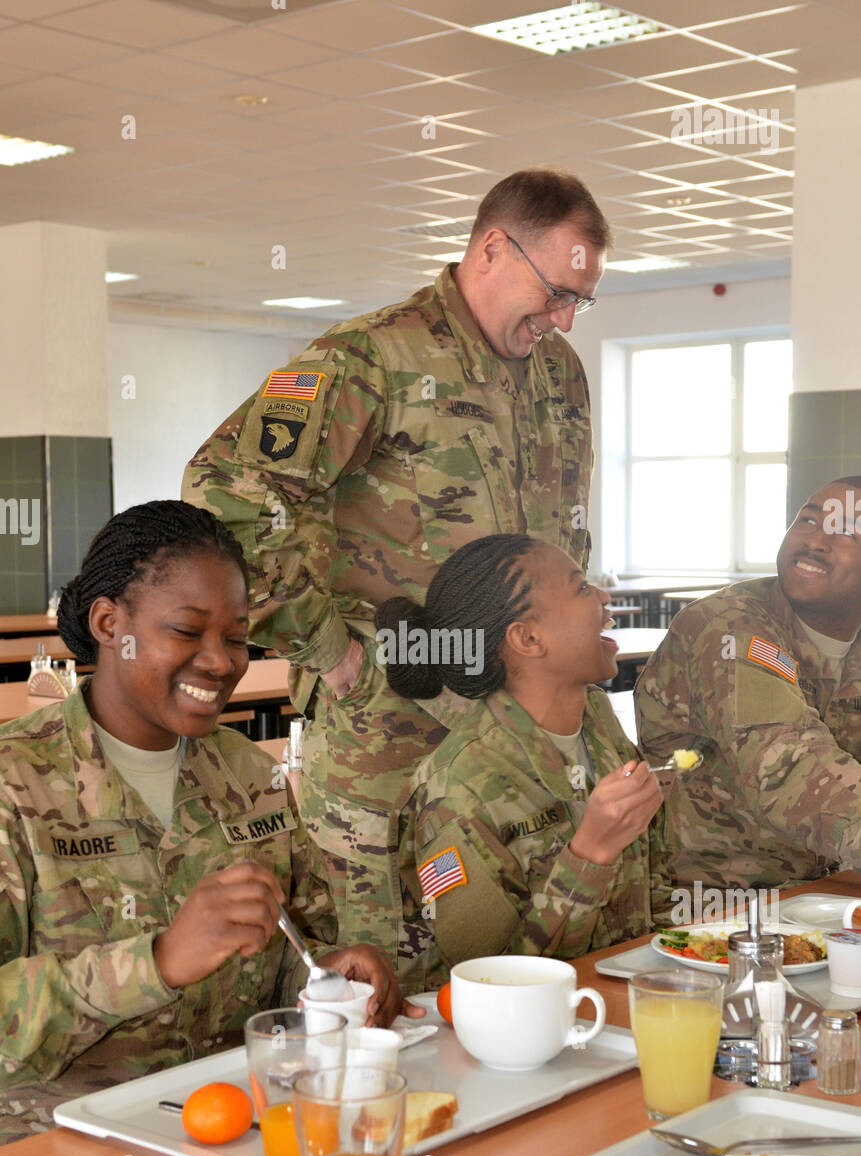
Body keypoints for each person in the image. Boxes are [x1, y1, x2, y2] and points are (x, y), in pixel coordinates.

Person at [182, 167, 611, 976]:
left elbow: (565, 533)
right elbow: (231, 488)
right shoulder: (369, 356)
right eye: (555, 291)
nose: (561, 319)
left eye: (579, 303)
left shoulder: (558, 377)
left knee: (503, 957)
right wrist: (324, 648)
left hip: (510, 735)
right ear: (492, 248)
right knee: (383, 967)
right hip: (391, 730)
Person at [0, 501, 410, 1147]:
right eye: (188, 632)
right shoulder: (13, 784)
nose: (221, 662)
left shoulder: (250, 774)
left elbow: (299, 943)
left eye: (237, 636)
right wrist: (158, 961)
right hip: (60, 1148)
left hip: (242, 1126)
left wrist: (329, 972)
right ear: (110, 623)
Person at [380, 535, 665, 988]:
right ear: (528, 638)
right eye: (581, 588)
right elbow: (489, 984)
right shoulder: (456, 793)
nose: (605, 597)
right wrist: (589, 855)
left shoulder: (595, 716)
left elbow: (652, 879)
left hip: (621, 1007)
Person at [636, 476, 861, 898]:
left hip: (825, 892)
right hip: (712, 905)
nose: (815, 541)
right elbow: (786, 766)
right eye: (808, 520)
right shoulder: (729, 626)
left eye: (845, 530)